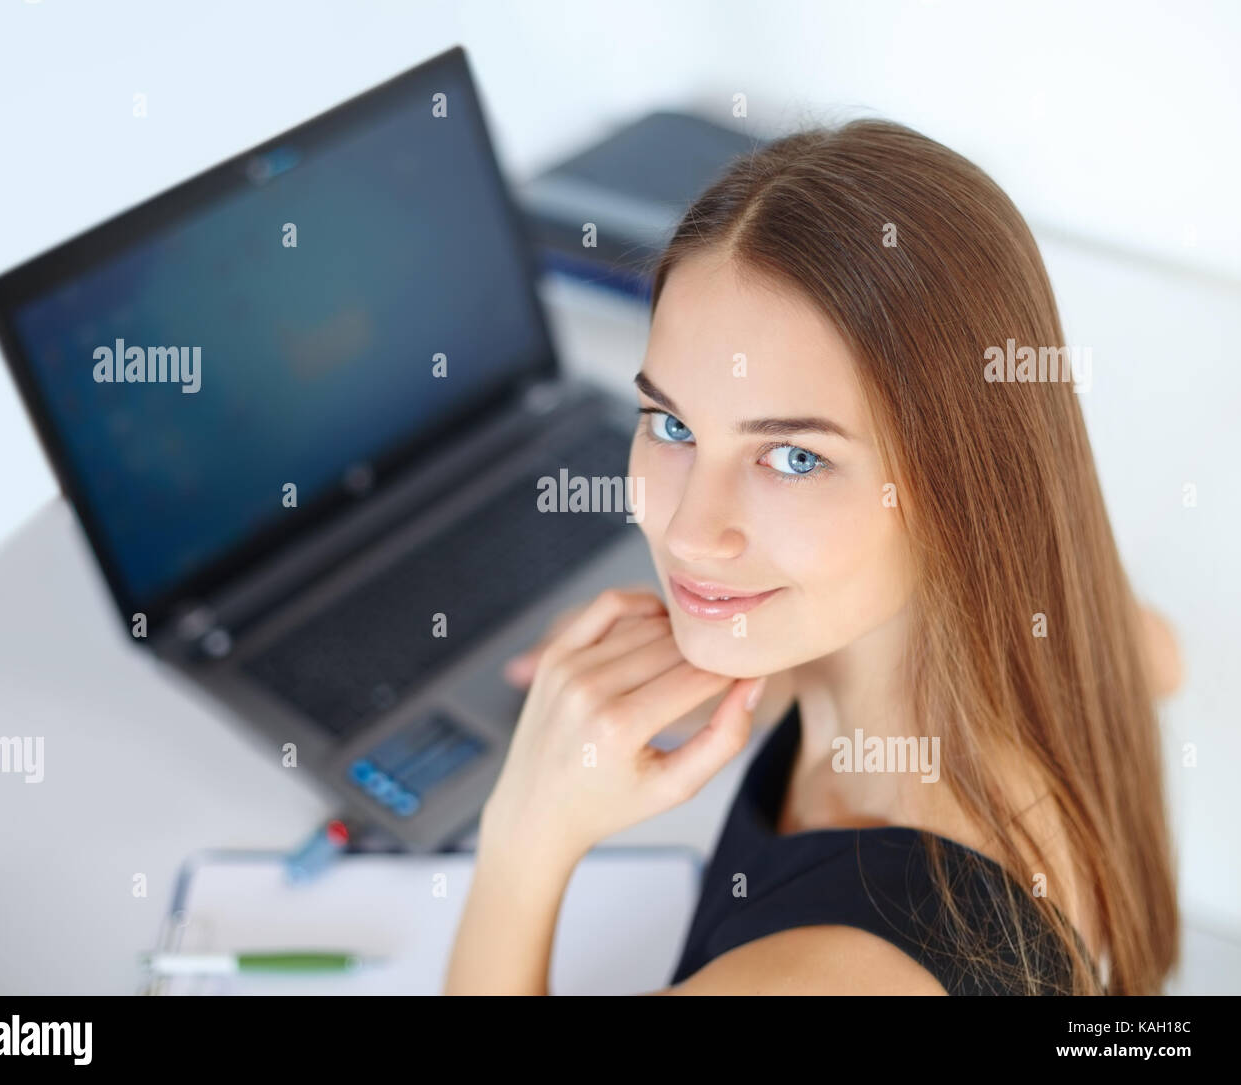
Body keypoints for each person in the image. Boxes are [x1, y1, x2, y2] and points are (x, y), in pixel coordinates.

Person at [444, 119, 1180, 996]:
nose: (688, 532)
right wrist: (726, 648)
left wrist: (526, 838)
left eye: (795, 457)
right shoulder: (1054, 644)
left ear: (958, 490)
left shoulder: (833, 974)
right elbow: (1153, 651)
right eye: (673, 425)